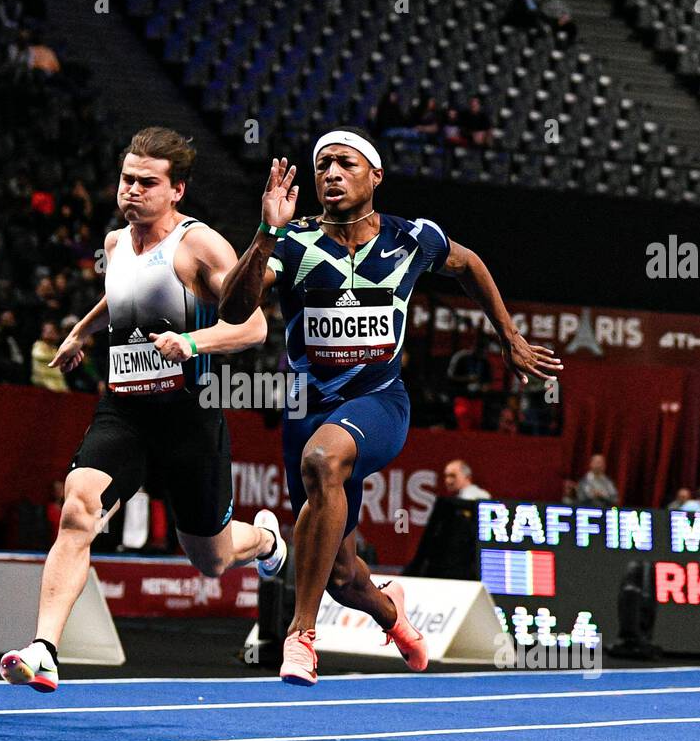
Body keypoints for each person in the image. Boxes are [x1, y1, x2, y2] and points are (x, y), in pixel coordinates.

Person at [218, 127, 561, 684]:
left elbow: (469, 264)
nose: (331, 173)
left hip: (379, 401)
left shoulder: (411, 239)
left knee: (324, 461)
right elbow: (234, 309)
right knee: (341, 573)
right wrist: (263, 234)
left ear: (375, 175)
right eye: (322, 164)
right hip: (307, 406)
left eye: (345, 163)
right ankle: (392, 614)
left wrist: (507, 335)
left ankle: (301, 634)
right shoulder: (294, 242)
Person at [0, 127, 288, 692]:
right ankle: (45, 648)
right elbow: (120, 296)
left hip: (189, 416)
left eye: (147, 182)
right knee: (79, 508)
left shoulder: (199, 246)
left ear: (176, 190)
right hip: (125, 411)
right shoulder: (113, 244)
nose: (132, 190)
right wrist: (81, 332)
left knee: (211, 559)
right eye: (127, 179)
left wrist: (195, 343)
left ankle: (268, 542)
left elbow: (253, 324)